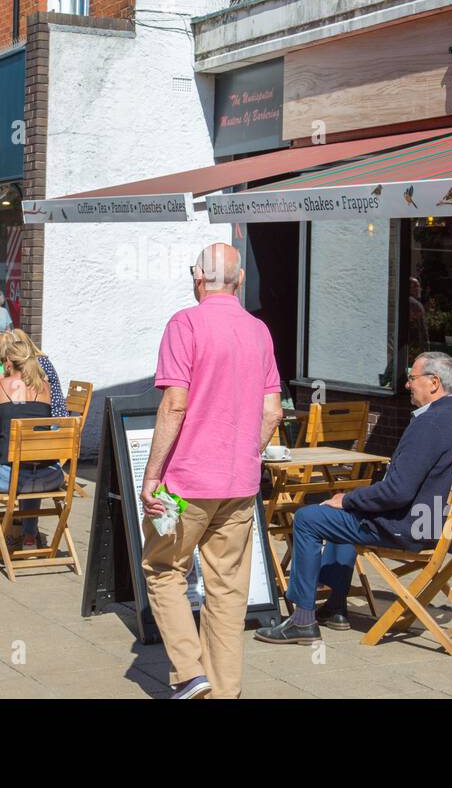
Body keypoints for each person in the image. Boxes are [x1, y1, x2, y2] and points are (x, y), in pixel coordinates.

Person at [255, 351, 452, 645]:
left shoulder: (430, 424)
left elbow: (397, 492)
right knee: (342, 517)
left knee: (309, 517)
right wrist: (353, 501)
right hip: (446, 527)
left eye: (412, 378)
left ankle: (302, 619)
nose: (408, 385)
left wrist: (347, 499)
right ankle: (335, 608)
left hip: (413, 527)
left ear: (434, 382)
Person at [140, 244, 282, 700]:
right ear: (239, 281)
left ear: (197, 277)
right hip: (238, 486)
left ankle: (189, 670)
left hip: (184, 484)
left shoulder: (185, 324)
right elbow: (273, 412)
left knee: (163, 569)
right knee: (227, 592)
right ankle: (225, 691)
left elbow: (174, 404)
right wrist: (246, 454)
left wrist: (151, 476)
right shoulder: (259, 331)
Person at [0, 331, 66, 551]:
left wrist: (2, 425)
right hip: (51, 476)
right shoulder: (46, 388)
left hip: (11, 478)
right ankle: (29, 538)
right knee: (30, 464)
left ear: (7, 363)